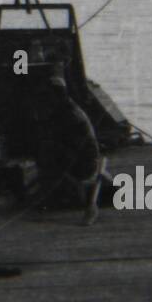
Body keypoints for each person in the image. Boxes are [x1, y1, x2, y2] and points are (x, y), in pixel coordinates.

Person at [35, 73, 104, 222]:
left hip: (85, 163)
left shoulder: (71, 116)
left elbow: (74, 150)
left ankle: (69, 191)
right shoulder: (62, 111)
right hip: (79, 157)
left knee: (50, 152)